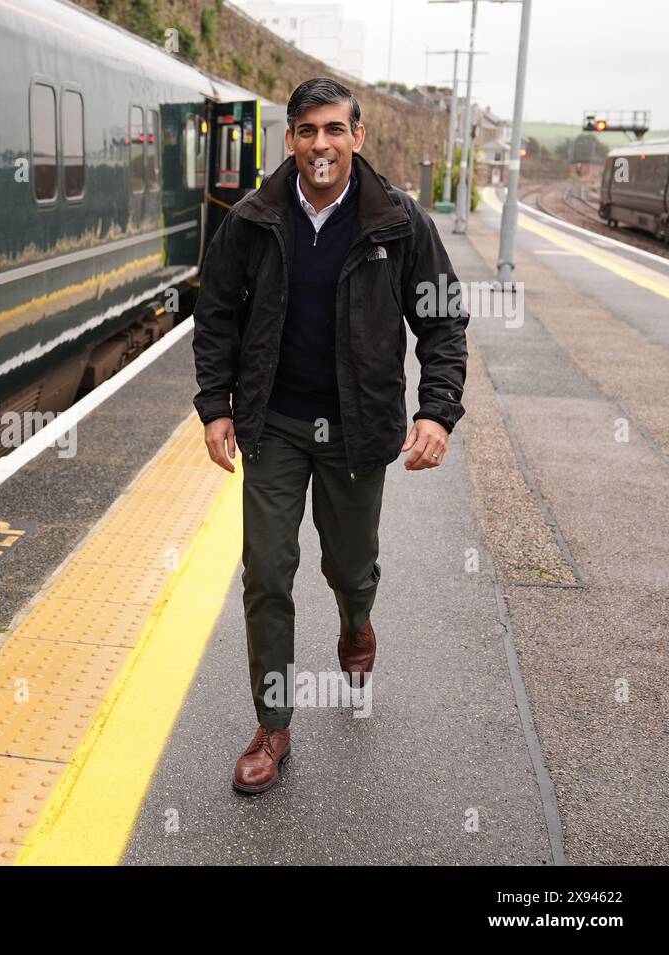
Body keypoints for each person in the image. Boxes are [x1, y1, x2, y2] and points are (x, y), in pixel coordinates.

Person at [191, 77, 470, 794]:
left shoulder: (399, 223)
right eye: (308, 131)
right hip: (275, 424)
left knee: (349, 565)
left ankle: (355, 622)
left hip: (357, 428)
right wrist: (214, 406)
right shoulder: (252, 220)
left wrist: (436, 411)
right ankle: (274, 724)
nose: (321, 144)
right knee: (266, 570)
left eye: (335, 130)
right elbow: (215, 312)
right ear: (290, 139)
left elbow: (442, 321)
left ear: (358, 137)